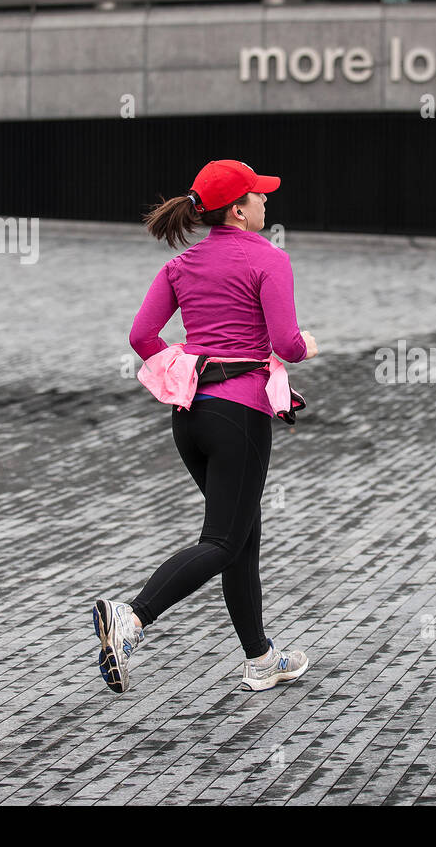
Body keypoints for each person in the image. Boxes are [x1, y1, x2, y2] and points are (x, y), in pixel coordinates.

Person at [93, 159, 320, 694]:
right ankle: (134, 618)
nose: (267, 202)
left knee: (241, 535)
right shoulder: (270, 260)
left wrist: (191, 368)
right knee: (222, 539)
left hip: (189, 418)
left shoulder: (182, 264)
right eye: (259, 196)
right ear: (238, 209)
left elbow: (141, 337)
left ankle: (262, 659)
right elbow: (286, 344)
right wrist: (309, 344)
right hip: (240, 417)